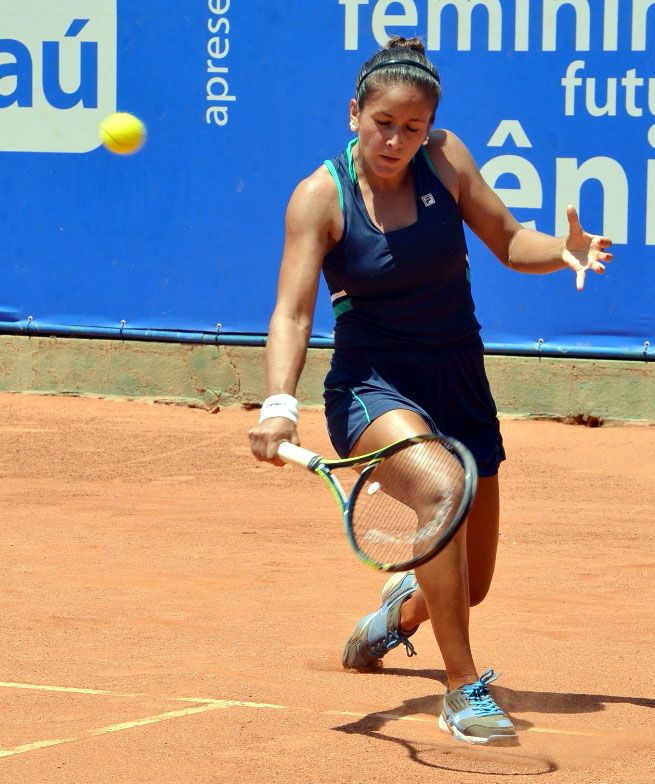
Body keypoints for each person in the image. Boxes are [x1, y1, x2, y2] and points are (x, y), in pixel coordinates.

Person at [248, 36, 612, 746]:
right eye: (383, 122)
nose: (395, 139)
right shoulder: (320, 196)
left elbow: (508, 240)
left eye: (411, 127)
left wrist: (561, 250)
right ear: (355, 113)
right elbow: (292, 311)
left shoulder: (445, 160)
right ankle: (462, 689)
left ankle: (396, 617)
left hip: (458, 382)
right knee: (441, 488)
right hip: (371, 387)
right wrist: (277, 403)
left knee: (469, 587)